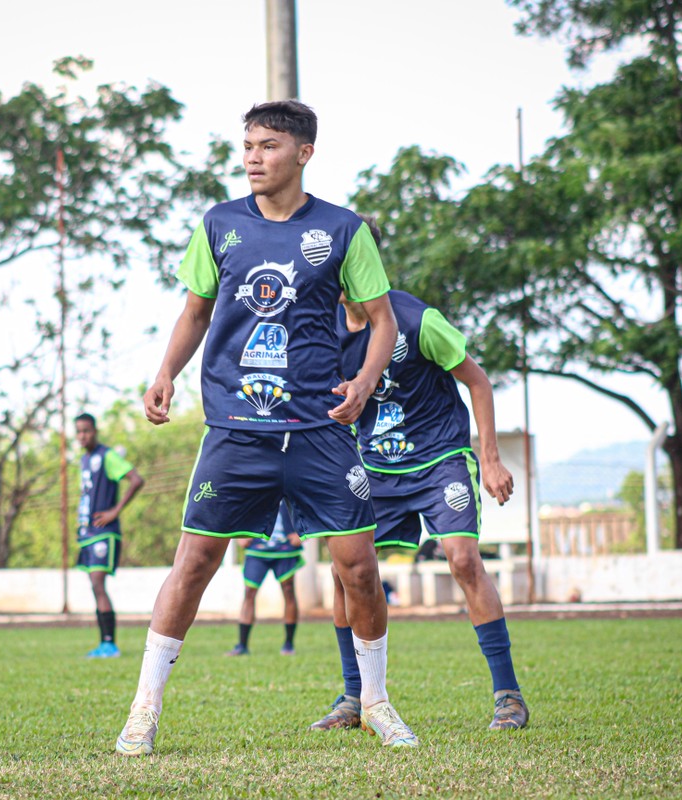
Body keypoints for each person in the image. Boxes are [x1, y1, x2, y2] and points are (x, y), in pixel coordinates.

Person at [115, 100, 418, 756]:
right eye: (248, 145)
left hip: (319, 428)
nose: (254, 157)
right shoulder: (219, 224)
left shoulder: (341, 230)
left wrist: (364, 383)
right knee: (194, 562)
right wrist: (166, 370)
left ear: (304, 152)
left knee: (358, 568)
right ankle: (143, 710)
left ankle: (375, 702)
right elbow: (195, 311)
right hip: (235, 428)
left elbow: (383, 319)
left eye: (269, 146)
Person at [309, 215, 529, 732]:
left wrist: (490, 458)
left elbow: (477, 382)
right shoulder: (324, 328)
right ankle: (352, 697)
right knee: (347, 572)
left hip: (438, 459)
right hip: (373, 469)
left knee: (463, 559)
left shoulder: (416, 319)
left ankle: (508, 695)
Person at [75, 412, 145, 658]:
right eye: (79, 432)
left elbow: (136, 480)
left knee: (97, 583)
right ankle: (104, 643)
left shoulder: (107, 456)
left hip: (104, 533)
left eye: (86, 431)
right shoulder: (85, 460)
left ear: (95, 431)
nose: (82, 436)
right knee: (95, 586)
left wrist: (115, 511)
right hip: (88, 532)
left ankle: (109, 643)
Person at [225, 500, 303, 656]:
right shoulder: (256, 484)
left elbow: (306, 504)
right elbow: (240, 506)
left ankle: (288, 644)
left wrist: (302, 533)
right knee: (249, 592)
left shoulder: (292, 482)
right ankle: (242, 645)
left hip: (285, 550)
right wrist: (240, 534)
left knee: (288, 591)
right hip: (257, 549)